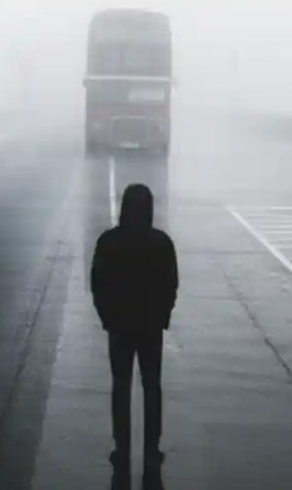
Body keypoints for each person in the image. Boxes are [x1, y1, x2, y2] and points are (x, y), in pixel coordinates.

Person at [91, 183, 178, 476]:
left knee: (120, 387)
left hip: (120, 327)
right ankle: (151, 449)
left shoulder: (109, 242)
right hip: (150, 327)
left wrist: (107, 318)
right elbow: (171, 284)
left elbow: (98, 285)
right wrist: (163, 316)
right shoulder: (161, 243)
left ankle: (122, 447)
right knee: (151, 387)